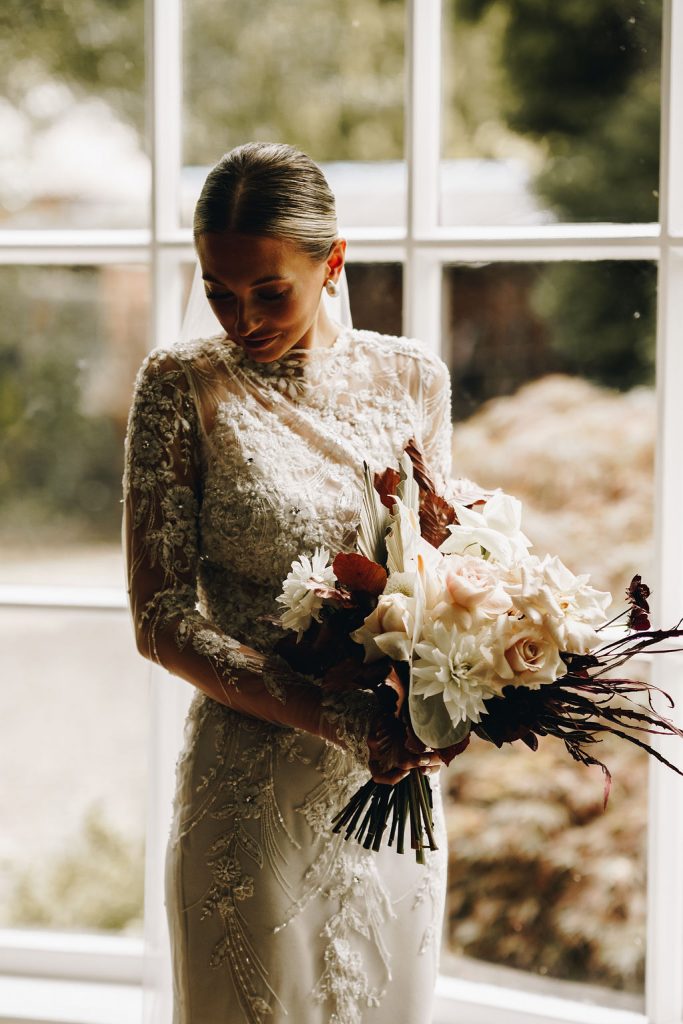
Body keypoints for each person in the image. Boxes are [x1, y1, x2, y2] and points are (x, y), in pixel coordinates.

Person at [123, 141, 452, 1024]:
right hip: (250, 788)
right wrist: (324, 713)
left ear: (332, 263)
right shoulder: (180, 387)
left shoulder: (413, 377)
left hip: (388, 785)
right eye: (218, 290)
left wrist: (461, 680)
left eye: (270, 291)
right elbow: (158, 619)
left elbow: (436, 571)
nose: (242, 317)